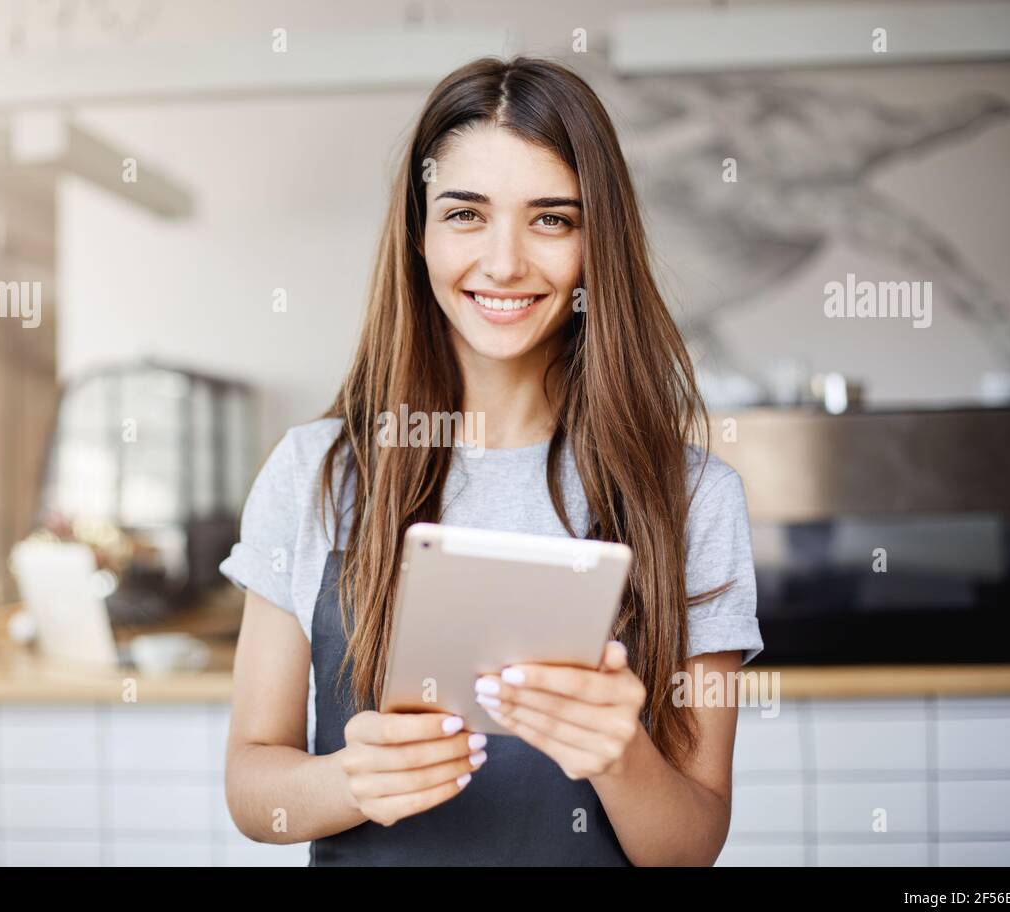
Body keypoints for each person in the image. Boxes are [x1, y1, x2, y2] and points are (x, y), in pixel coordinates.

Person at [219, 56, 763, 866]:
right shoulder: (314, 473)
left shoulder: (692, 498)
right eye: (466, 214)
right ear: (419, 233)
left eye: (552, 219)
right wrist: (350, 784)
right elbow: (253, 795)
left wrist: (620, 756)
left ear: (596, 243)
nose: (505, 263)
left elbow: (687, 850)